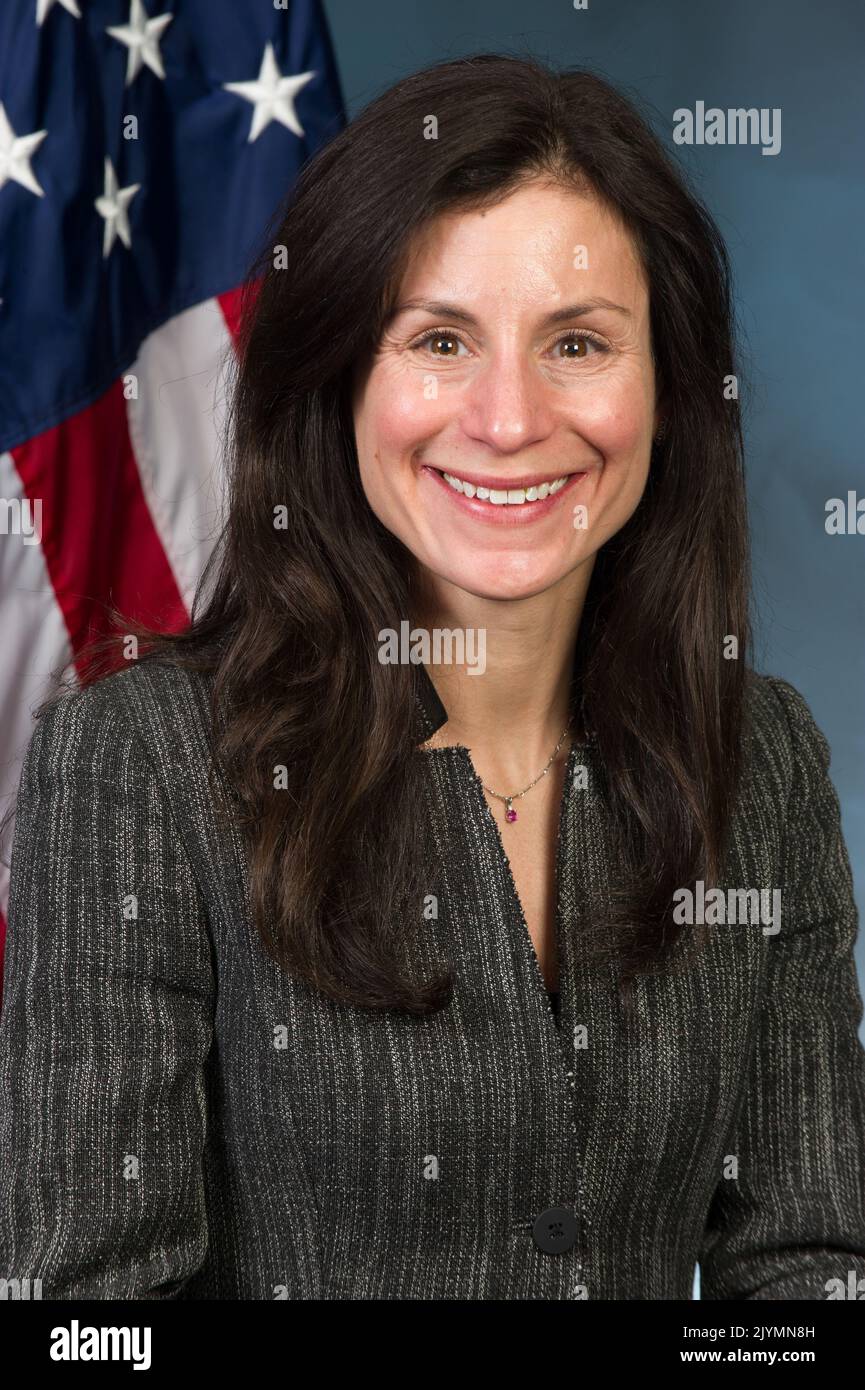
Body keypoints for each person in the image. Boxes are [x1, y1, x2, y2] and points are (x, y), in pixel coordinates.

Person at [1, 53, 863, 1301]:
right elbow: (86, 1323)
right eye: (441, 339)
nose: (508, 419)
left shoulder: (758, 754)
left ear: (669, 392)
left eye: (575, 341)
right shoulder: (138, 766)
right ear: (341, 378)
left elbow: (809, 1269)